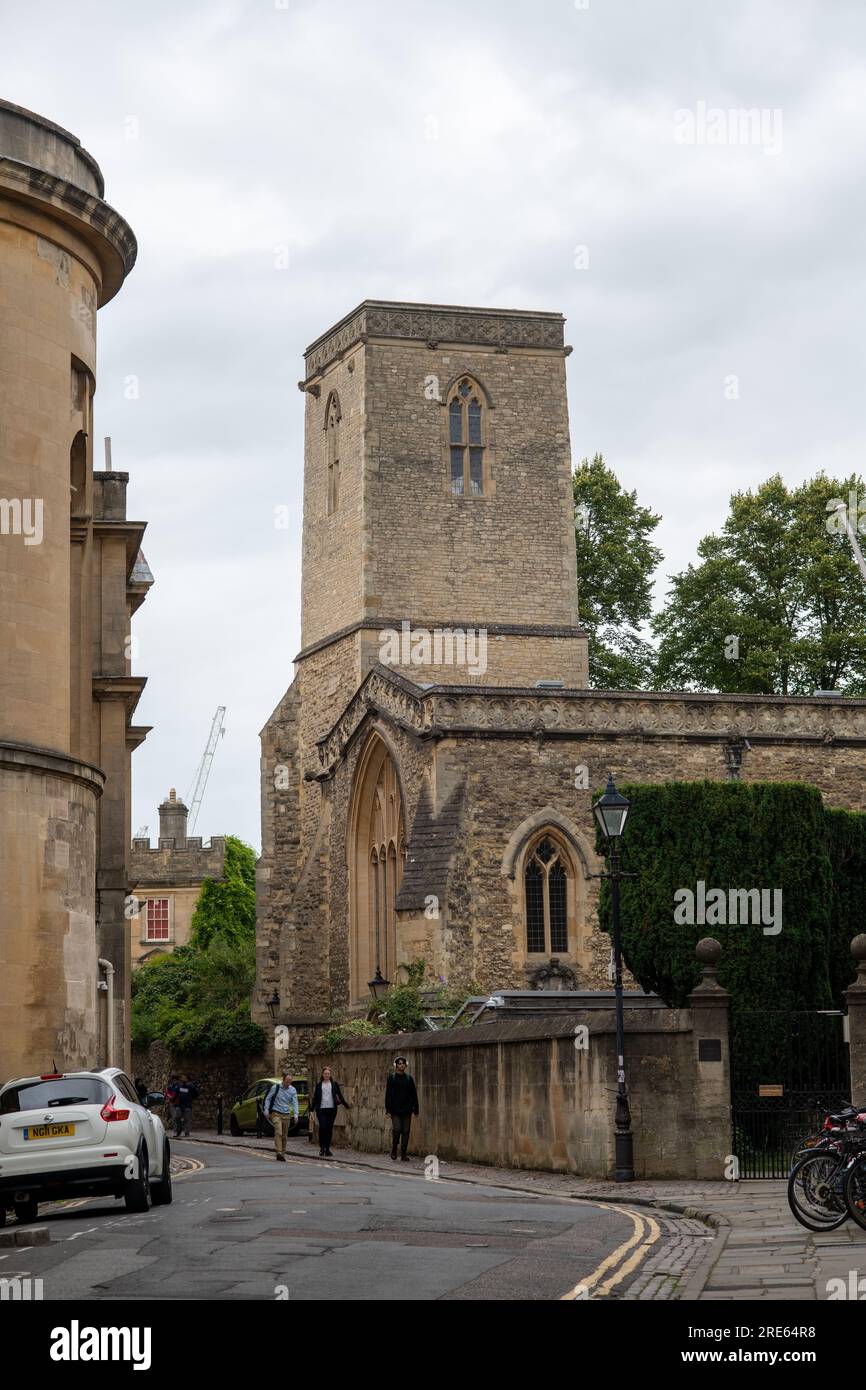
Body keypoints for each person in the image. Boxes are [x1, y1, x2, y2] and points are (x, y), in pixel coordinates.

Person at [310, 1066, 350, 1157]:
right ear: (322, 1074)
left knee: (329, 1129)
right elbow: (315, 1098)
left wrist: (346, 1105)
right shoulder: (319, 1085)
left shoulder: (334, 1084)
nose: (327, 1075)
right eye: (325, 1073)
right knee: (323, 1127)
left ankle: (327, 1149)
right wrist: (311, 1110)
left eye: (328, 1074)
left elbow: (340, 1095)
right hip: (321, 1109)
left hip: (331, 1109)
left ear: (330, 1075)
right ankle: (322, 1148)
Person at [385, 1056, 419, 1162]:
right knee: (397, 1129)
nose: (401, 1065)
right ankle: (394, 1149)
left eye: (403, 1063)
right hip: (395, 1110)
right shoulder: (392, 1078)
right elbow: (388, 1094)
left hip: (407, 1110)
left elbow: (414, 1095)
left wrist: (416, 1109)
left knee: (406, 1131)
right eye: (399, 1063)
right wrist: (388, 1109)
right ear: (396, 1065)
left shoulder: (409, 1079)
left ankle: (403, 1154)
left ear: (406, 1065)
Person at [263, 1072, 299, 1162]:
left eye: (290, 1082)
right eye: (287, 1081)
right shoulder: (276, 1088)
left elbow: (295, 1103)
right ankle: (278, 1152)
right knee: (278, 1132)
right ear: (283, 1080)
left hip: (286, 1114)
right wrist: (266, 1110)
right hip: (276, 1113)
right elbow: (268, 1098)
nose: (288, 1084)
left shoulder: (293, 1090)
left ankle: (282, 1153)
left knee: (285, 1135)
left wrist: (296, 1115)